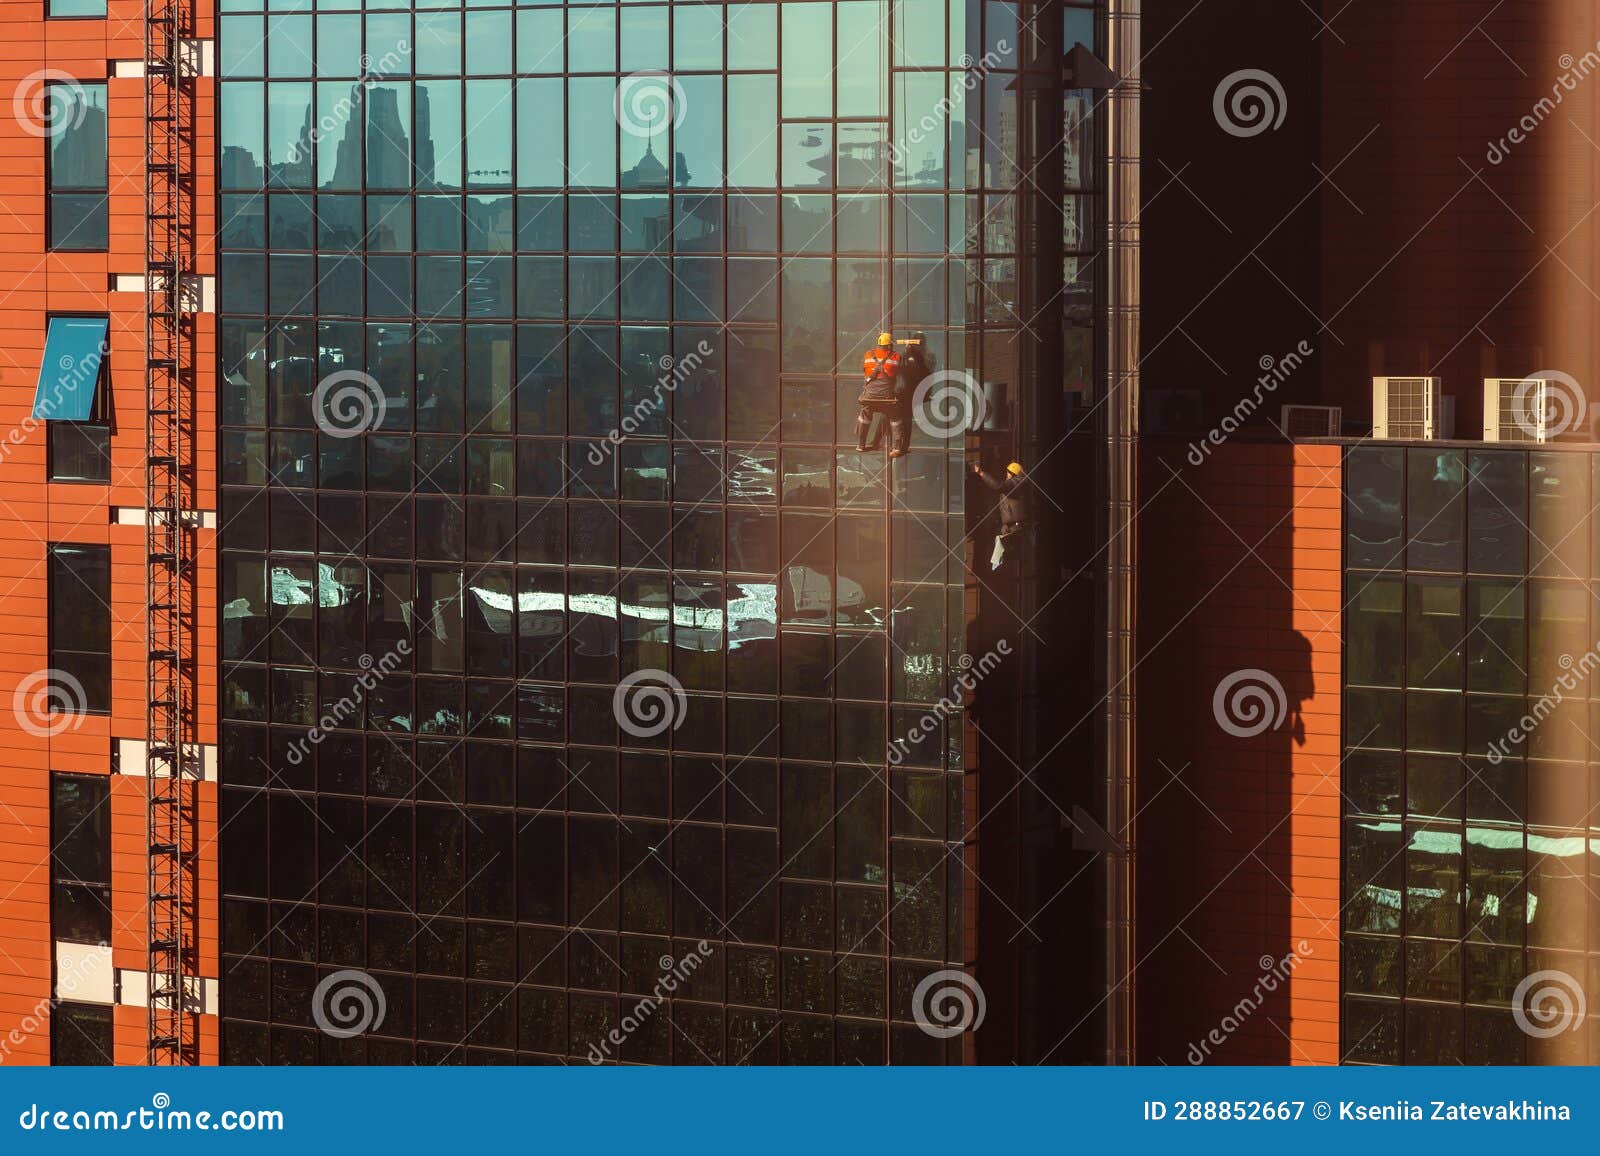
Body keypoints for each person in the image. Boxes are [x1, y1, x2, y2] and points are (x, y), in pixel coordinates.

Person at [972, 460, 1028, 570]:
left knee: (1004, 556)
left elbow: (998, 486)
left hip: (1014, 528)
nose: (1006, 474)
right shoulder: (1015, 483)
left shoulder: (1015, 484)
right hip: (1009, 527)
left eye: (1008, 472)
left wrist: (981, 473)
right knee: (1001, 553)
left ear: (1013, 474)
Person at [856, 332, 902, 453]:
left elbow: (864, 370)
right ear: (889, 345)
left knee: (865, 415)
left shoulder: (868, 354)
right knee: (895, 417)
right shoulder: (895, 357)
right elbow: (897, 373)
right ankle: (896, 446)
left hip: (869, 397)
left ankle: (861, 444)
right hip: (886, 398)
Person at [891, 332, 934, 458]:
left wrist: (908, 354)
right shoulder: (919, 357)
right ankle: (899, 446)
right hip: (908, 393)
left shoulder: (921, 358)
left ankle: (901, 446)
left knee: (904, 420)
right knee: (901, 419)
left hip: (909, 394)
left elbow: (913, 372)